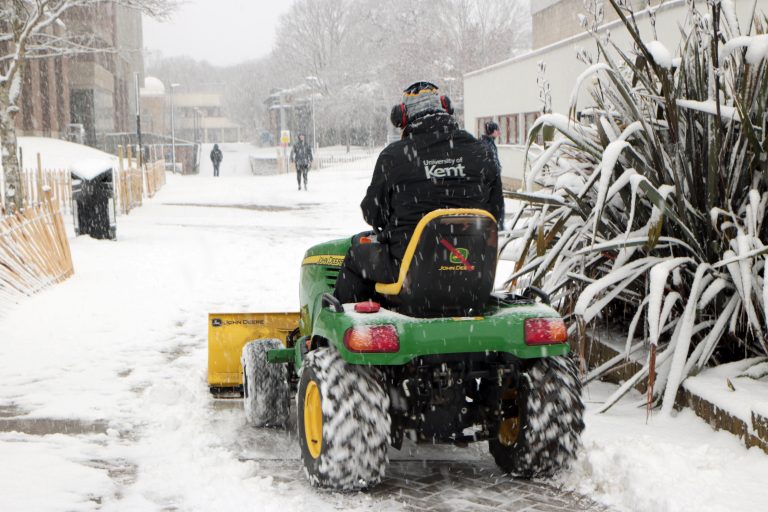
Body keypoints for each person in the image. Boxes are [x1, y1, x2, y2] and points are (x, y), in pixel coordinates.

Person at [333, 81, 503, 304]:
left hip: (409, 271)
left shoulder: (394, 157)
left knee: (356, 255)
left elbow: (373, 214)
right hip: (471, 272)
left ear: (402, 117)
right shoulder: (482, 152)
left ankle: (344, 320)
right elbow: (495, 213)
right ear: (446, 108)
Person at [480, 121, 504, 230]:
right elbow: (490, 165)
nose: (499, 132)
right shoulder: (487, 144)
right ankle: (496, 227)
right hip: (491, 183)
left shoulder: (489, 143)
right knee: (495, 206)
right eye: (497, 130)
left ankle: (497, 226)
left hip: (491, 182)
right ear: (492, 131)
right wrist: (497, 171)